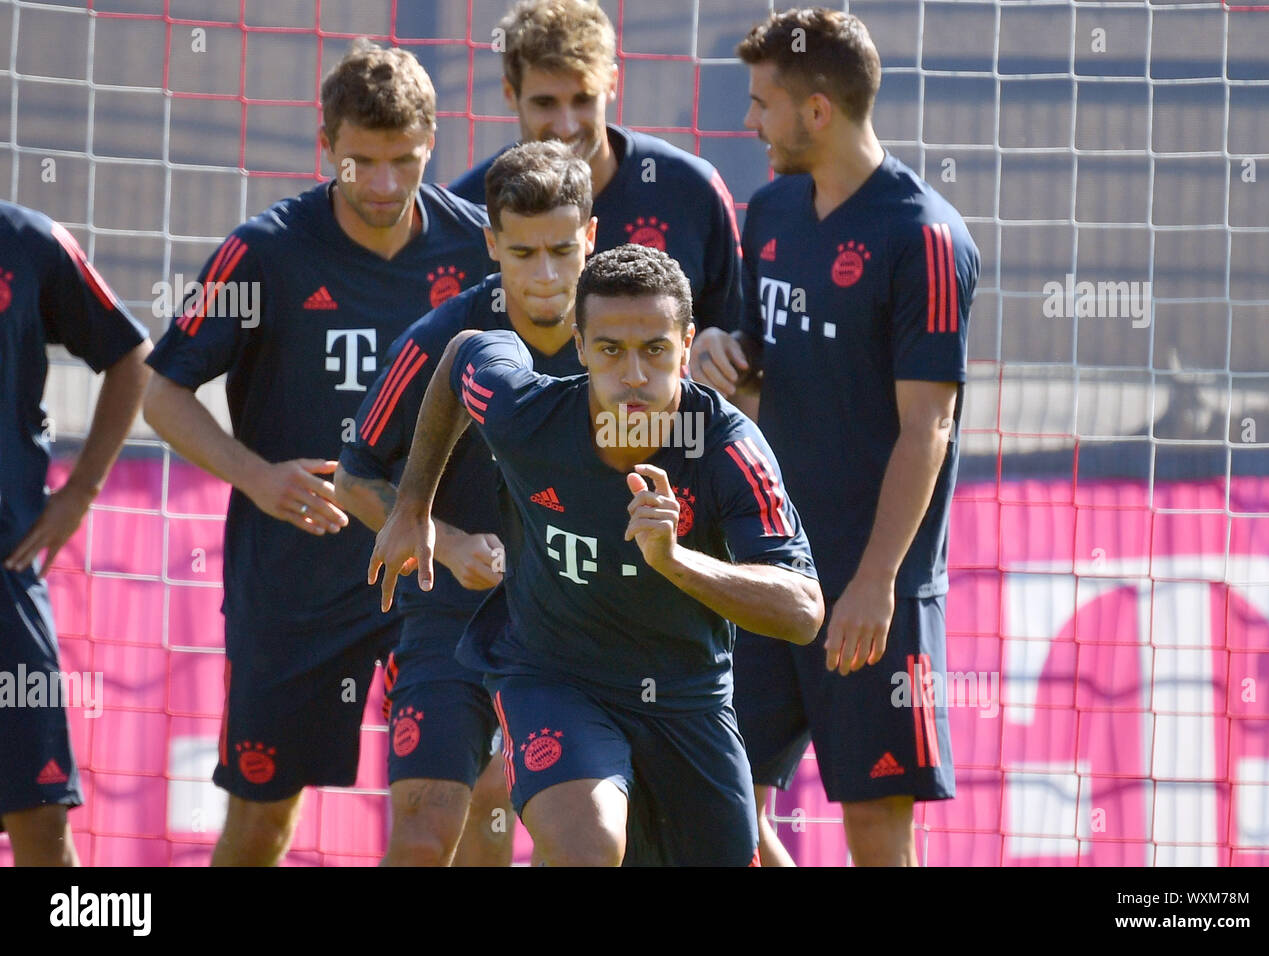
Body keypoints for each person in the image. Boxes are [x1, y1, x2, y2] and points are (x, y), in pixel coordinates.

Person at [142, 40, 494, 866]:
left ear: (432, 144)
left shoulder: (481, 249)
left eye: (403, 161)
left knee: (452, 812)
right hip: (294, 578)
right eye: (359, 162)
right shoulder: (265, 251)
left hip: (430, 581)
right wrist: (259, 478)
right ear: (324, 145)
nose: (381, 185)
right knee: (262, 819)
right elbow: (162, 393)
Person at [368, 245, 824, 866]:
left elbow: (802, 611)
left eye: (655, 350)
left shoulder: (727, 450)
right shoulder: (523, 413)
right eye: (610, 349)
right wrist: (413, 504)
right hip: (553, 677)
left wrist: (675, 561)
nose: (633, 373)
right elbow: (461, 352)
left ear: (686, 346)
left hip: (687, 697)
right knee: (590, 846)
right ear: (579, 347)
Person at [690, 8, 981, 867]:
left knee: (876, 831)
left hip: (869, 590)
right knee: (712, 796)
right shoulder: (772, 209)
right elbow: (755, 364)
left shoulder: (924, 237)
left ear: (817, 111)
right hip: (770, 567)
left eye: (763, 104)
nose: (751, 123)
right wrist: (722, 353)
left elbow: (928, 426)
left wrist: (877, 582)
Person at [336, 140, 596, 866]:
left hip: (580, 620)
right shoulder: (440, 337)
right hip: (449, 615)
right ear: (490, 243)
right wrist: (446, 543)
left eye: (561, 251)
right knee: (423, 833)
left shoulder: (624, 332)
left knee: (580, 838)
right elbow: (353, 479)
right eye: (522, 254)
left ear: (591, 240)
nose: (545, 276)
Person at [0, 201, 152, 865]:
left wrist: (82, 491)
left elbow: (132, 356)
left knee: (39, 822)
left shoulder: (27, 241)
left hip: (5, 581)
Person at [449, 0, 743, 332]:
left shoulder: (692, 191)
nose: (566, 125)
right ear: (509, 93)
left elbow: (738, 337)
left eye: (583, 99)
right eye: (545, 103)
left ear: (612, 85)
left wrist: (720, 347)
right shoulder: (467, 208)